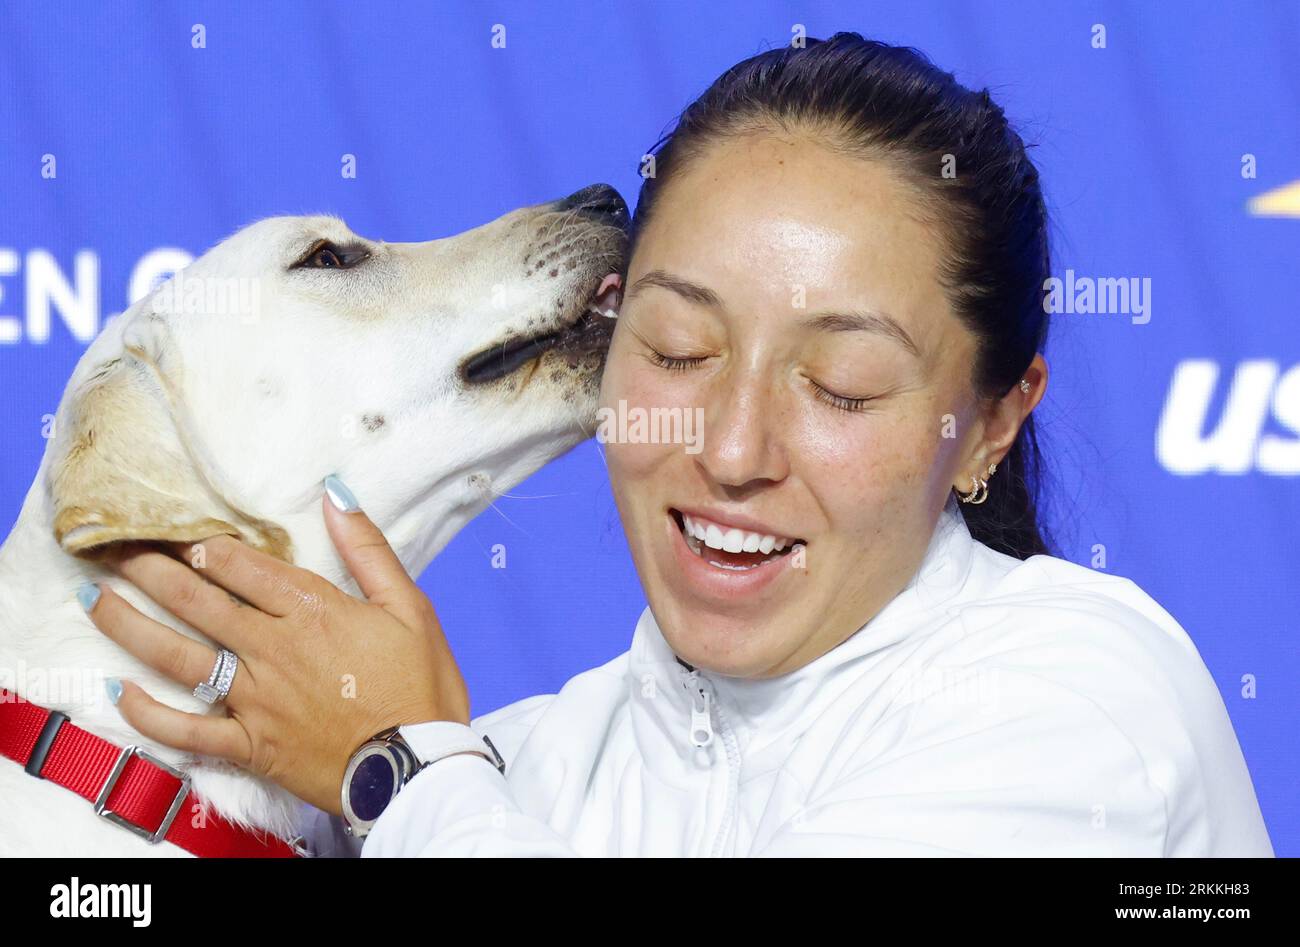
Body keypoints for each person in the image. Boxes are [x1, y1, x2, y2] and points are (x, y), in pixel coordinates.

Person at [81, 33, 1273, 857]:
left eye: (842, 384)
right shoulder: (528, 770)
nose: (732, 444)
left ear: (993, 424)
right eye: (678, 348)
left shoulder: (1080, 698)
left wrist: (399, 764)